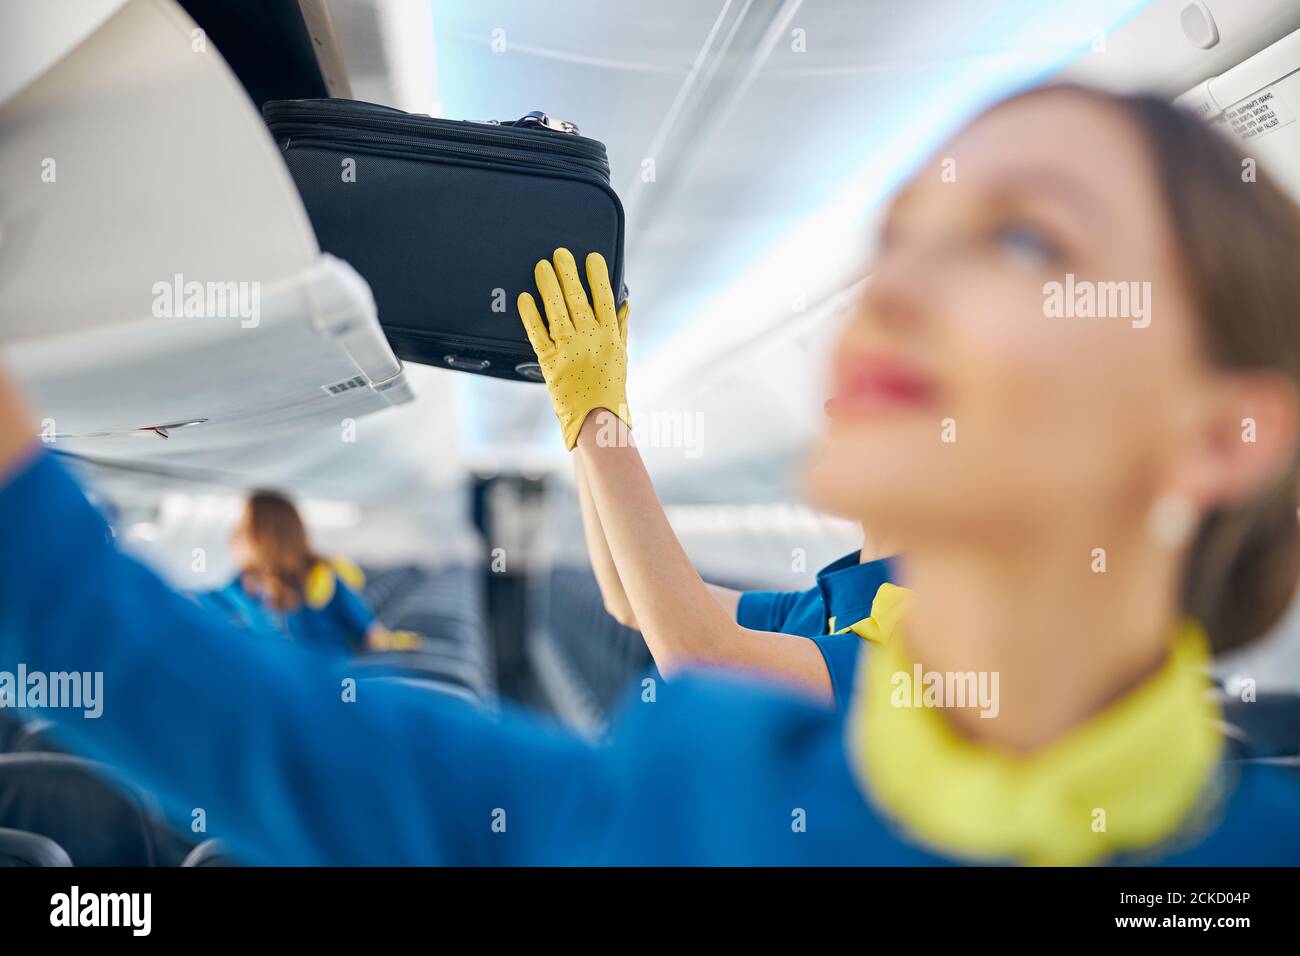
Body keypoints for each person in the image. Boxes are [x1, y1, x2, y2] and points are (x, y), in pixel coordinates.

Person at [2, 83, 1299, 865]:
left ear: (1228, 432)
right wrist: (593, 422)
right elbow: (229, 714)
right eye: (898, 237)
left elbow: (681, 634)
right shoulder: (701, 790)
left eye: (1023, 237)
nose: (896, 288)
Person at [576, 452, 897, 709]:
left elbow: (697, 653)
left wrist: (595, 410)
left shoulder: (922, 646)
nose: (834, 405)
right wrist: (581, 424)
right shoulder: (817, 605)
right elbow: (631, 598)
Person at [199, 490, 392, 656]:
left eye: (244, 528)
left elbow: (371, 635)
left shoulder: (323, 580)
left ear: (268, 537)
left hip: (327, 685)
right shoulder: (236, 588)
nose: (233, 536)